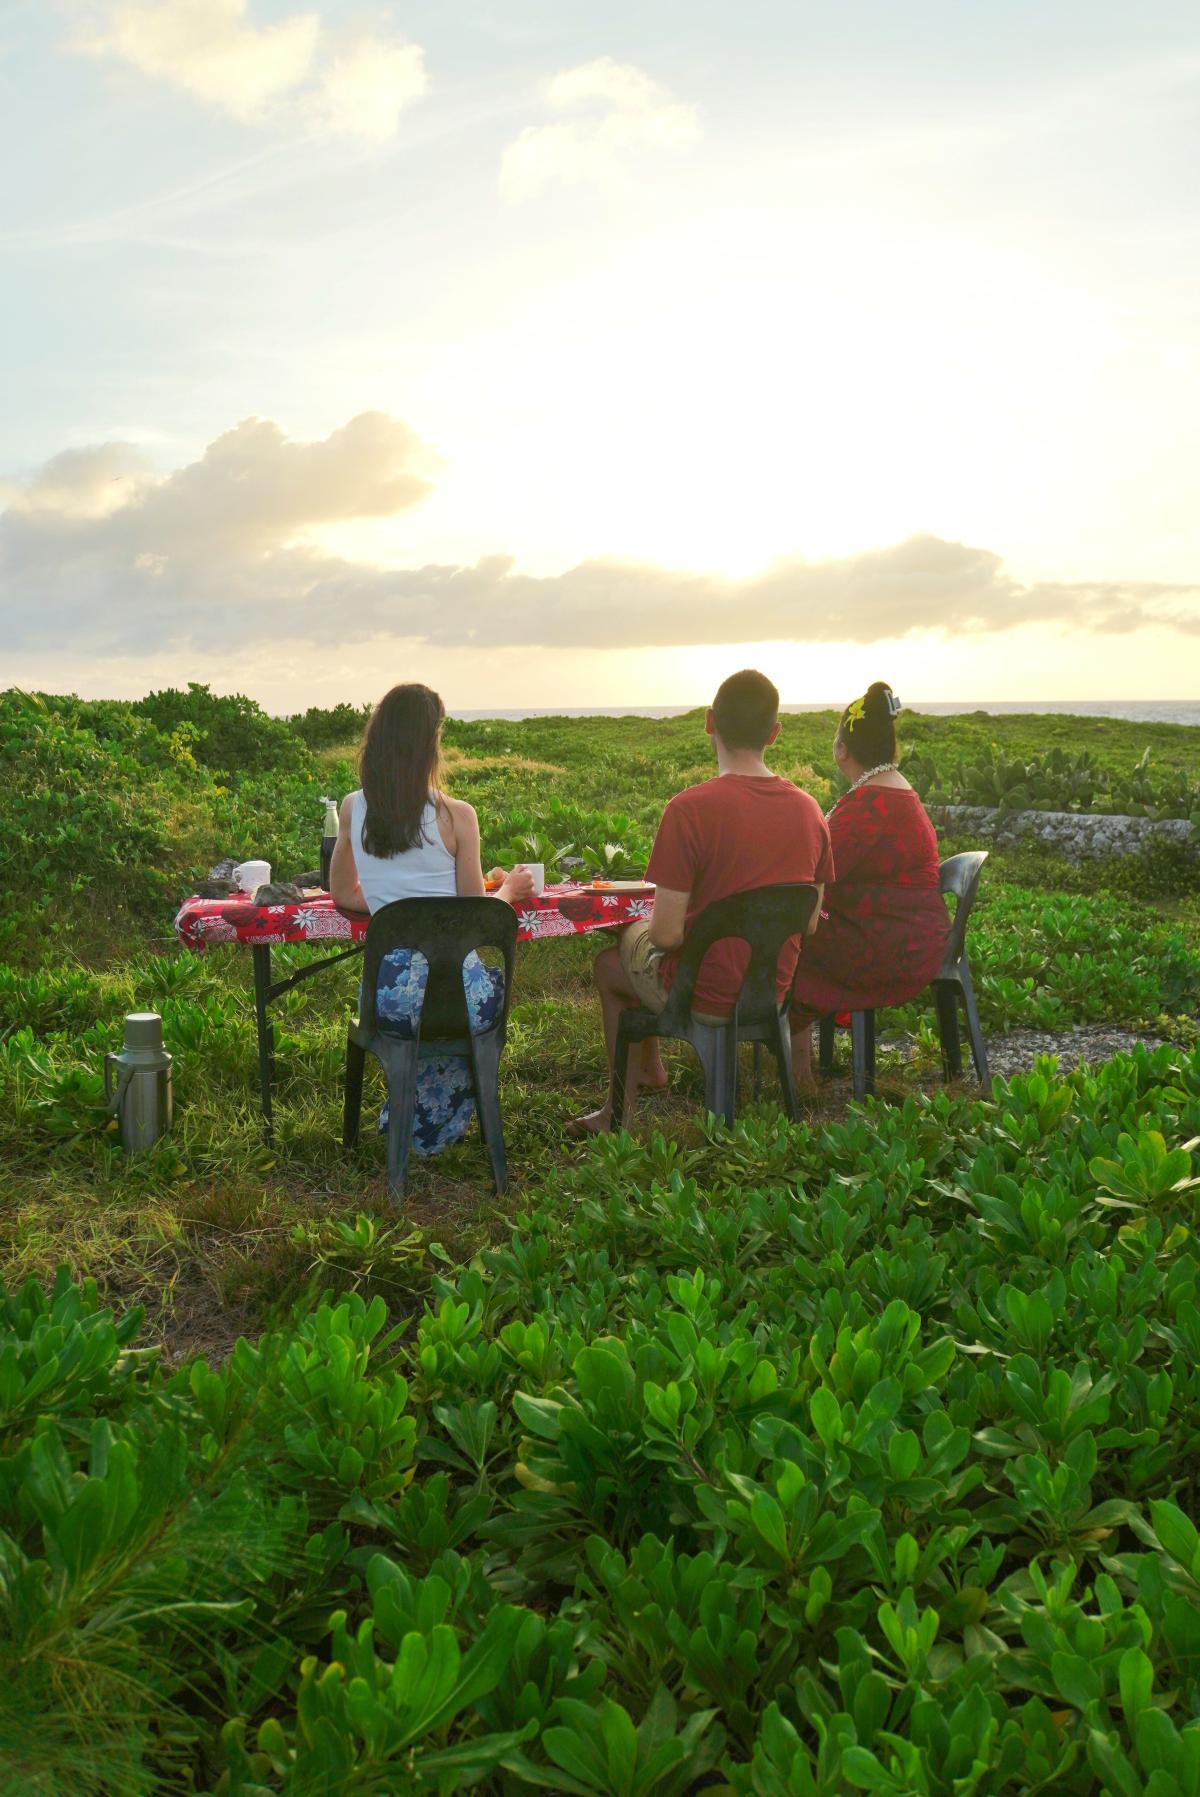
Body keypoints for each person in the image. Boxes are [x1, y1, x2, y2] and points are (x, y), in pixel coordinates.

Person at [570, 669, 834, 1132]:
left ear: (710, 721)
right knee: (633, 951)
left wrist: (638, 925)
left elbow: (668, 935)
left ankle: (619, 1111)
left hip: (703, 995)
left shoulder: (689, 809)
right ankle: (649, 1071)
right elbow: (809, 922)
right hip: (770, 993)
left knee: (612, 965)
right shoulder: (809, 809)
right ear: (774, 733)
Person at [329, 683, 533, 1156]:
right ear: (431, 744)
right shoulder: (457, 816)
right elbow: (474, 916)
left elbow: (342, 893)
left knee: (421, 1002)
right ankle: (436, 1122)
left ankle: (412, 1115)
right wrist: (508, 890)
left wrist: (392, 906)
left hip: (390, 1000)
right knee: (483, 987)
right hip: (455, 997)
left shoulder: (352, 808)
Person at [788, 682, 949, 1091]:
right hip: (910, 932)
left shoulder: (871, 802)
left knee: (789, 937)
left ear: (842, 748)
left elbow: (815, 864)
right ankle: (795, 1068)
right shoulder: (897, 789)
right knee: (804, 924)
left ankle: (797, 1077)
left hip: (889, 943)